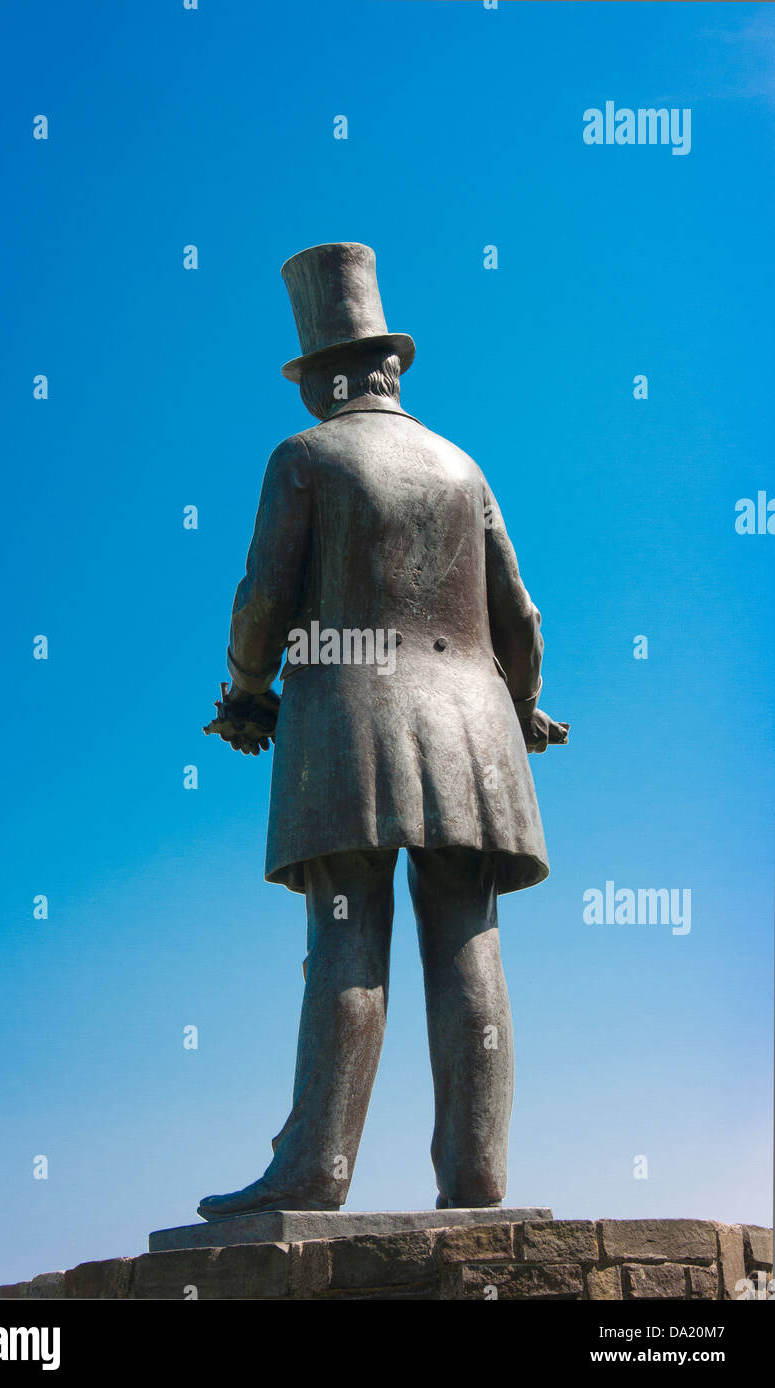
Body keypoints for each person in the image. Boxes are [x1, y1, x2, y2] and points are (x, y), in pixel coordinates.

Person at [200, 243, 568, 1218]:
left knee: (344, 938)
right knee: (468, 942)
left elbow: (262, 601)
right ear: (388, 370)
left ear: (323, 377)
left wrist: (247, 692)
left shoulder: (304, 458)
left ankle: (312, 1169)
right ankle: (476, 1176)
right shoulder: (461, 467)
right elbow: (521, 621)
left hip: (348, 730)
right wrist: (522, 707)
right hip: (474, 733)